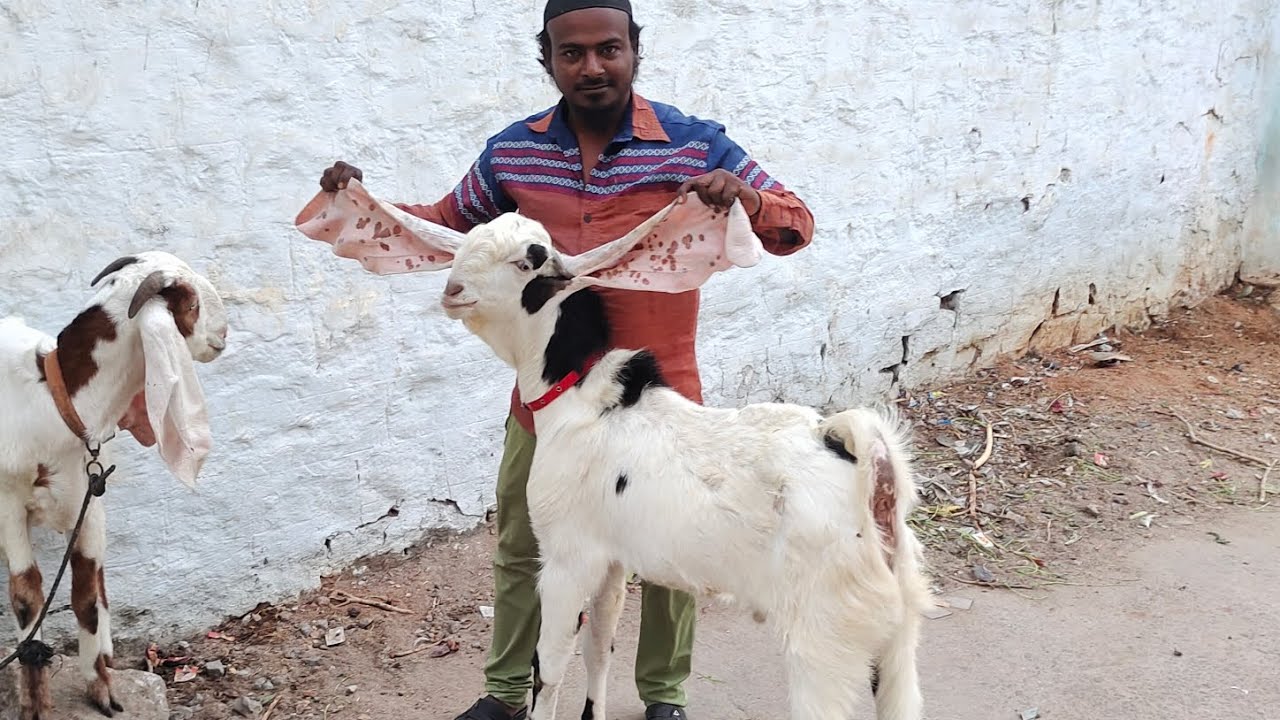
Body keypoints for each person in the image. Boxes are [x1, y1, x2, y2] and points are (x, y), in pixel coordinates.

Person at [319, 1, 814, 718]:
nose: (591, 67)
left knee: (668, 551)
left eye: (608, 49)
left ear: (635, 50)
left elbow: (796, 221)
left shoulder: (693, 145)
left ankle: (663, 697)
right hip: (550, 399)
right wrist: (361, 202)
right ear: (546, 59)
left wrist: (746, 197)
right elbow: (447, 228)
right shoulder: (512, 154)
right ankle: (506, 693)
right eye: (571, 53)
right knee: (525, 542)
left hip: (658, 395)